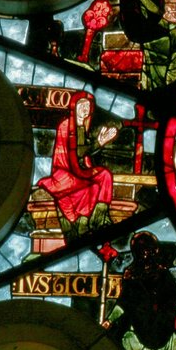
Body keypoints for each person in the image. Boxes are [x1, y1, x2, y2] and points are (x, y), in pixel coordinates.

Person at [38, 90, 117, 243]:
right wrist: (98, 143)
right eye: (81, 105)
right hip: (66, 172)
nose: (85, 109)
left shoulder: (83, 127)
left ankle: (99, 219)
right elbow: (76, 152)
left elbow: (83, 155)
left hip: (81, 170)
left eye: (88, 106)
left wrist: (98, 144)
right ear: (74, 106)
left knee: (105, 176)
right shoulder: (65, 125)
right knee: (93, 186)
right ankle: (84, 222)